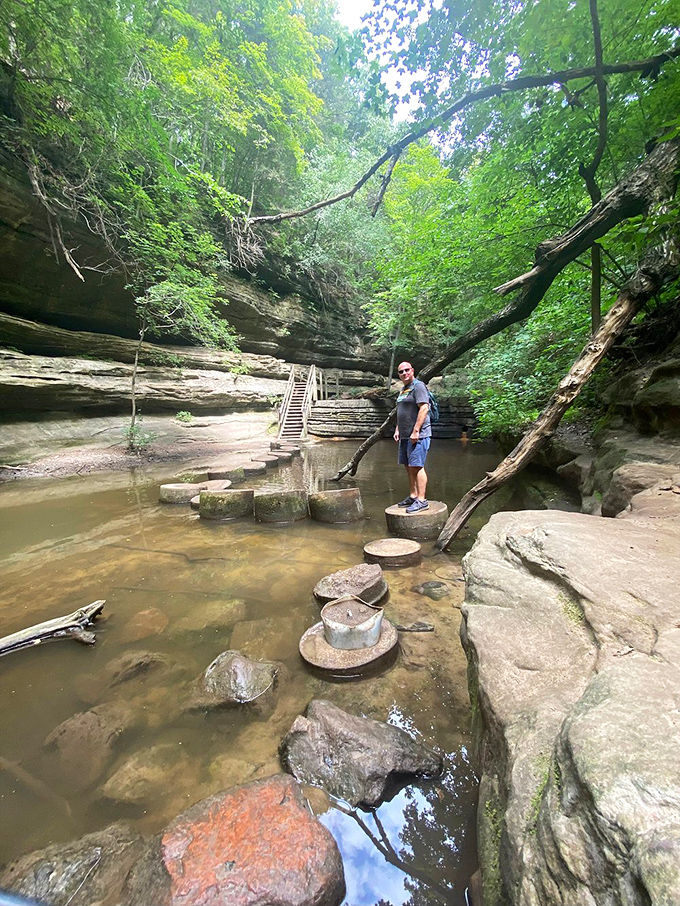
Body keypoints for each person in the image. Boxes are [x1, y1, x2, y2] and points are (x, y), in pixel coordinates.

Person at [393, 361, 431, 513]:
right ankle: (413, 495)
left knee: (417, 466)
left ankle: (422, 500)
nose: (404, 373)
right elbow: (401, 411)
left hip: (419, 435)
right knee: (408, 467)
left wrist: (416, 431)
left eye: (407, 370)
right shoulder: (403, 389)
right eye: (401, 371)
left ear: (412, 370)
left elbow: (424, 407)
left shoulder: (418, 386)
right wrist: (397, 429)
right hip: (404, 436)